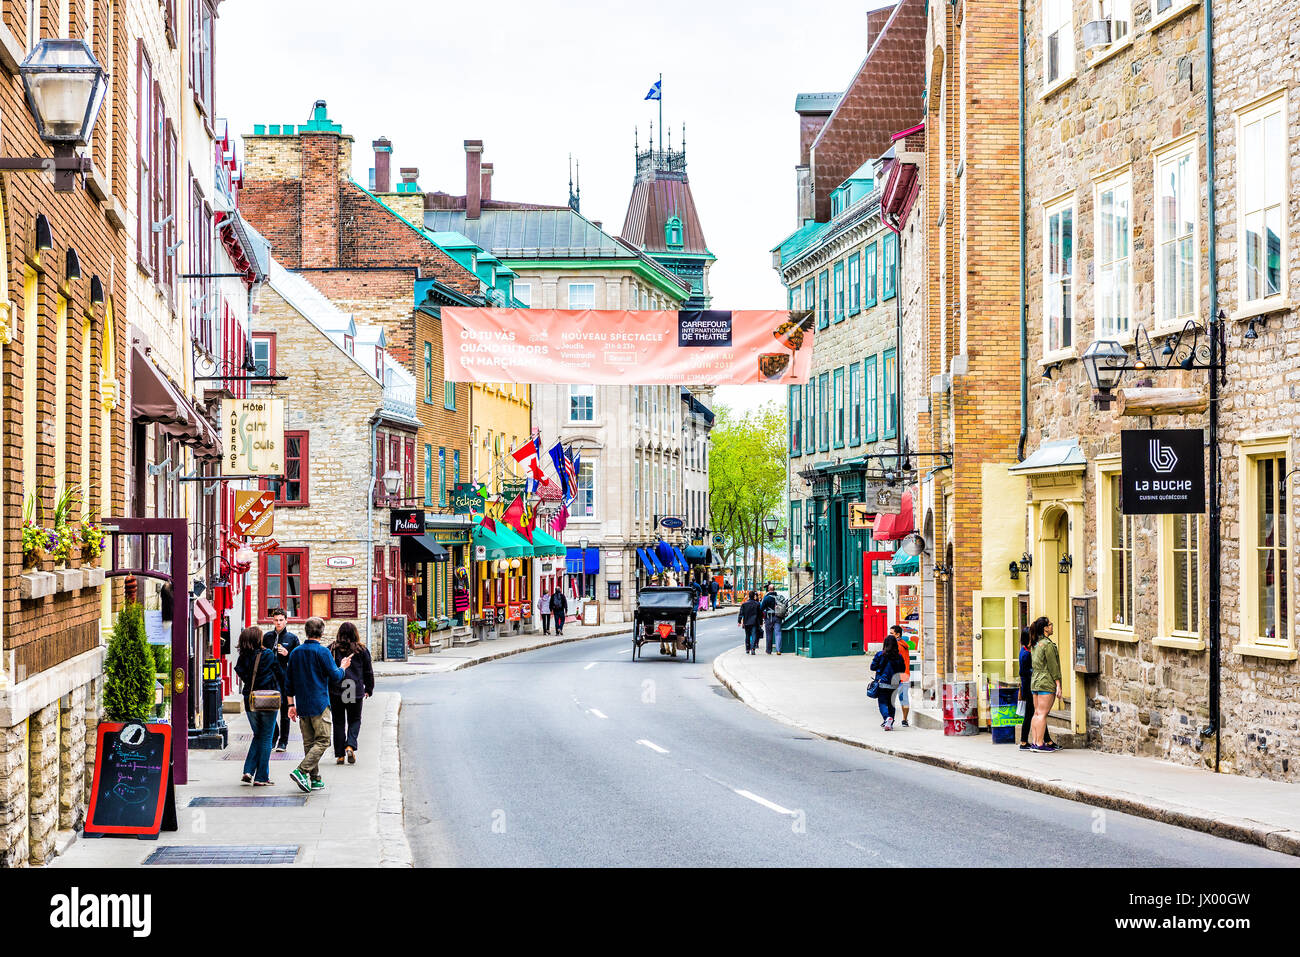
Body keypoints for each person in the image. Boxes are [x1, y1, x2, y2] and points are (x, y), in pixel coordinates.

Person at [285, 616, 352, 793]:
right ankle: (301, 771)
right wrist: (343, 666)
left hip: (302, 704)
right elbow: (336, 676)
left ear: (306, 632)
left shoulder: (295, 652)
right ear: (321, 633)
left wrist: (290, 705)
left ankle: (315, 779)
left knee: (309, 743)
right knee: (323, 741)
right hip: (320, 702)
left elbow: (289, 682)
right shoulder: (322, 652)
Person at [233, 626, 280, 786]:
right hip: (267, 698)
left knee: (258, 734)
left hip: (250, 698)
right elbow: (277, 672)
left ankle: (248, 770)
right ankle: (261, 777)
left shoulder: (243, 657)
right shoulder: (267, 654)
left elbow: (241, 672)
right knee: (267, 737)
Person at [329, 622, 374, 765]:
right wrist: (369, 689)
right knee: (355, 719)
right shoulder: (362, 650)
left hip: (337, 690)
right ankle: (350, 745)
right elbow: (368, 671)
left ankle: (340, 754)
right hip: (355, 689)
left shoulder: (332, 649)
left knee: (338, 721)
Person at [267, 608, 299, 753]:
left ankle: (283, 741)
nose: (278, 623)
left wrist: (288, 654)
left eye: (281, 620)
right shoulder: (267, 637)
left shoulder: (292, 638)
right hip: (269, 678)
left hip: (285, 678)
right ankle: (274, 736)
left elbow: (298, 659)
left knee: (285, 710)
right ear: (272, 621)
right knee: (269, 709)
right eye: (276, 620)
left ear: (286, 620)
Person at [1028, 616, 1062, 752]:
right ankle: (1040, 743)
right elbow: (1053, 667)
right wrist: (1058, 685)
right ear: (1045, 628)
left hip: (1035, 681)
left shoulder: (1035, 644)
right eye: (1050, 625)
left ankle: (1036, 742)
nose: (1052, 626)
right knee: (1042, 714)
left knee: (1036, 713)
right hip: (1046, 681)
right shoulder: (1047, 645)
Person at [1019, 628, 1055, 751]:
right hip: (1031, 687)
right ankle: (1025, 741)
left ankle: (1046, 740)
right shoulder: (1026, 654)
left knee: (1037, 714)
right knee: (1035, 714)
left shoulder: (1026, 651)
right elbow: (1026, 672)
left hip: (1031, 687)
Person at [870, 635, 906, 730]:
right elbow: (903, 669)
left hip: (882, 682)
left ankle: (887, 718)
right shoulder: (899, 656)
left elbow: (872, 667)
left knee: (882, 702)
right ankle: (890, 723)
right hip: (894, 683)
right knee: (891, 703)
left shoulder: (880, 654)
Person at [889, 624, 912, 725]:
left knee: (889, 699)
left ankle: (889, 719)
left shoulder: (896, 646)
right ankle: (905, 719)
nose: (889, 636)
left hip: (896, 677)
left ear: (898, 634)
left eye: (891, 634)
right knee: (904, 699)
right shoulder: (904, 644)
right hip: (905, 676)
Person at [738, 590, 763, 654]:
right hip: (754, 622)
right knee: (754, 635)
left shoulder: (744, 604)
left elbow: (741, 613)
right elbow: (760, 614)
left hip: (746, 622)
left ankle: (747, 649)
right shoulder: (757, 604)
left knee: (747, 635)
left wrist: (739, 621)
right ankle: (752, 648)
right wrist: (761, 622)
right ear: (754, 596)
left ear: (749, 596)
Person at [760, 584, 782, 654]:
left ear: (769, 589)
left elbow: (761, 608)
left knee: (769, 634)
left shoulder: (766, 598)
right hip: (778, 617)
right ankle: (778, 650)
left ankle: (769, 650)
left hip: (769, 618)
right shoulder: (779, 597)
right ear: (774, 589)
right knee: (778, 634)